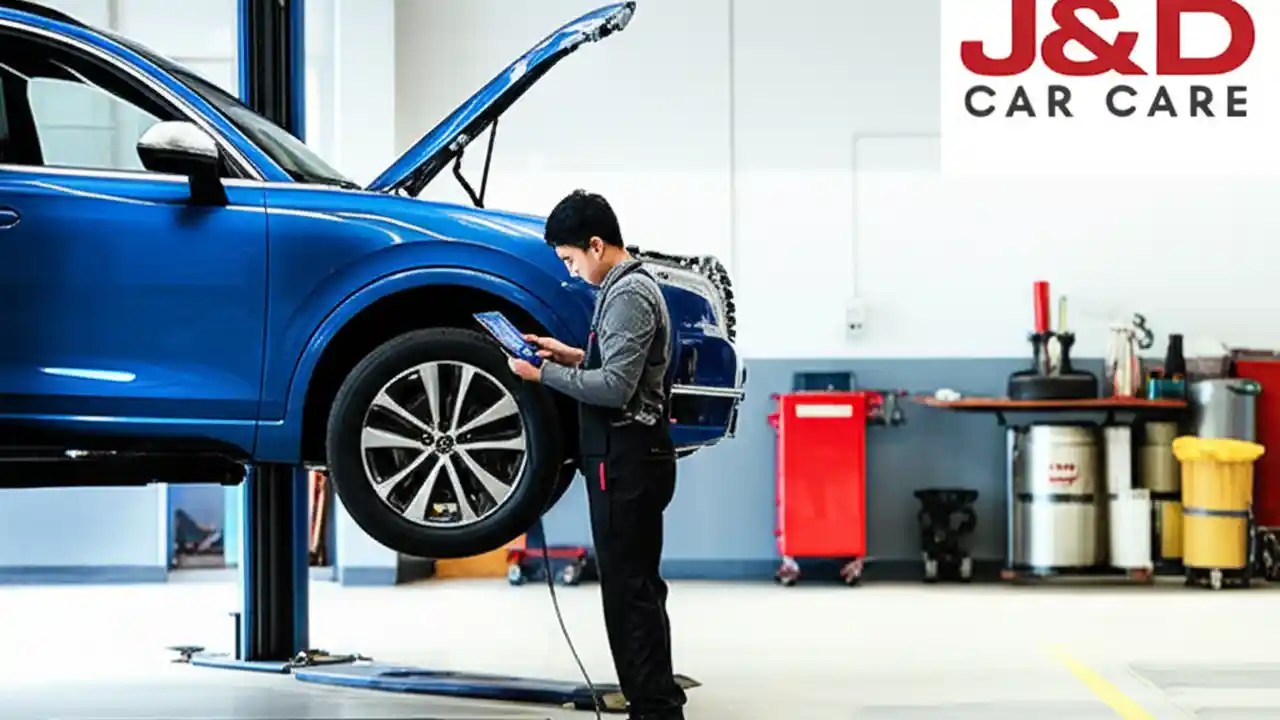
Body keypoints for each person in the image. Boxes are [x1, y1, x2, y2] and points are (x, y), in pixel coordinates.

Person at [507, 189, 686, 720]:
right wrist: (569, 354)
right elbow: (615, 361)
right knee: (637, 589)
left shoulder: (628, 293)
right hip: (631, 458)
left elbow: (613, 387)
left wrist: (543, 374)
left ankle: (653, 708)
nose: (570, 271)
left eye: (569, 259)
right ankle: (655, 703)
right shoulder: (626, 288)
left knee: (629, 595)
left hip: (627, 461)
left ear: (596, 244)